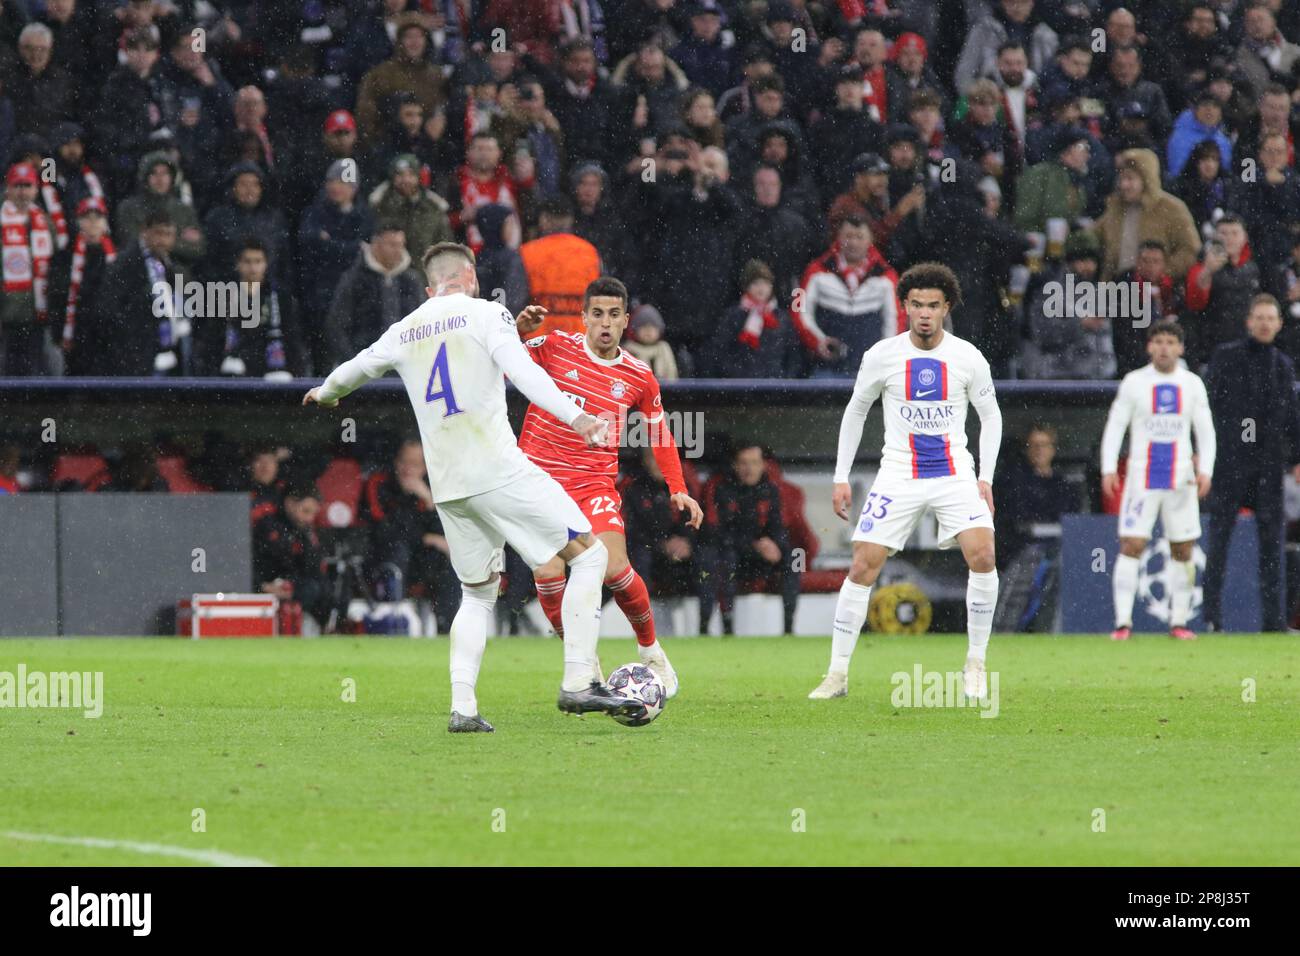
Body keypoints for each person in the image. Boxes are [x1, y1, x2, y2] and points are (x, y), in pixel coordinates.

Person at [303, 242, 640, 732]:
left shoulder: (406, 327)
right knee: (589, 556)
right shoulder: (486, 313)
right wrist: (577, 415)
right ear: (470, 276)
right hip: (499, 470)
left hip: (449, 487)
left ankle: (463, 709)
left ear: (429, 286)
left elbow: (353, 370)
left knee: (477, 594)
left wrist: (325, 393)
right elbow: (523, 372)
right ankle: (577, 682)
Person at [810, 262, 1002, 701]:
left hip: (955, 474)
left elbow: (990, 417)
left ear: (946, 307)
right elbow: (856, 411)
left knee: (984, 553)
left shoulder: (968, 357)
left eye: (933, 305)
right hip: (898, 474)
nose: (924, 314)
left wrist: (985, 478)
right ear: (905, 307)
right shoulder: (882, 355)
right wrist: (841, 476)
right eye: (916, 304)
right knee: (862, 564)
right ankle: (837, 674)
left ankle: (976, 662)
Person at [514, 277, 704, 698]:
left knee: (615, 568)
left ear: (625, 322)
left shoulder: (638, 376)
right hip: (539, 483)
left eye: (613, 315)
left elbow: (660, 434)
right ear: (583, 318)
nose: (605, 323)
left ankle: (651, 650)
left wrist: (678, 486)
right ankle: (585, 664)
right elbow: (499, 355)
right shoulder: (554, 347)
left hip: (592, 483)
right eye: (596, 314)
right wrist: (517, 327)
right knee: (548, 575)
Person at [1100, 321, 1215, 641]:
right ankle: (1123, 623)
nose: (1164, 347)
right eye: (1159, 341)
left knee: (1183, 548)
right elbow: (1116, 425)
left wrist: (1206, 469)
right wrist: (1108, 467)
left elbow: (1205, 430)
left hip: (1181, 477)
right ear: (1149, 347)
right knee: (1132, 543)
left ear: (1180, 348)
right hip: (1142, 475)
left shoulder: (1192, 384)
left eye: (1170, 342)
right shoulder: (1134, 382)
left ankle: (1179, 622)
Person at [1201, 295, 1300, 633]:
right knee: (1218, 542)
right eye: (1259, 317)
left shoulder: (1283, 365)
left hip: (1269, 468)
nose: (1264, 323)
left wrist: (1297, 458)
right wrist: (1202, 451)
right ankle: (1211, 618)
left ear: (1279, 324)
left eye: (1270, 318)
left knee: (1272, 547)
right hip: (1229, 464)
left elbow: (1293, 418)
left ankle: (1274, 622)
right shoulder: (1225, 357)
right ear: (1248, 321)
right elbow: (1207, 409)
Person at [703, 442, 800, 636]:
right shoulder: (722, 489)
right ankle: (726, 625)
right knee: (722, 558)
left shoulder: (771, 490)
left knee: (795, 558)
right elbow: (717, 532)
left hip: (762, 558)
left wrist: (776, 546)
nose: (749, 469)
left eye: (754, 463)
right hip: (735, 554)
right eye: (744, 463)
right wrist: (754, 545)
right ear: (735, 465)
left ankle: (789, 626)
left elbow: (779, 526)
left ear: (763, 465)